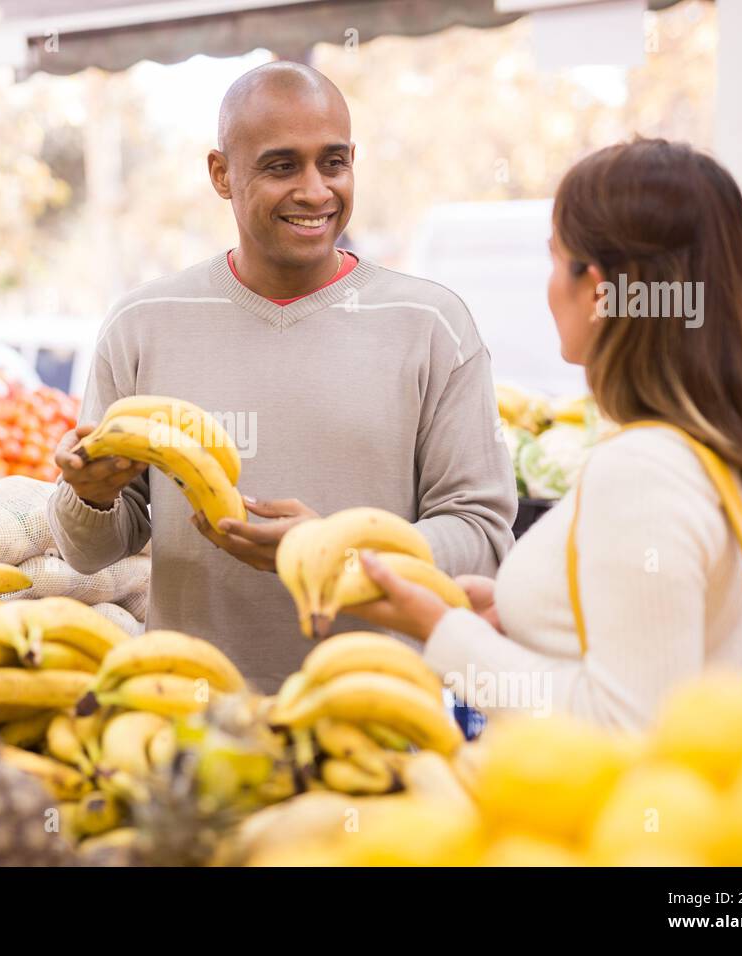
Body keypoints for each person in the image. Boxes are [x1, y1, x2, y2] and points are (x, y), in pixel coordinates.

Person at [47, 63, 517, 691]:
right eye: (281, 166)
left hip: (372, 718)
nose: (316, 191)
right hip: (188, 722)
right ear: (221, 174)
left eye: (334, 163)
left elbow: (483, 536)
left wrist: (339, 552)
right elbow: (88, 551)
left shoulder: (431, 324)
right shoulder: (143, 323)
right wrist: (91, 495)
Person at [350, 139, 742, 730]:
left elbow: (621, 727)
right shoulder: (737, 452)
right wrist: (525, 622)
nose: (549, 285)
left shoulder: (645, 470)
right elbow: (661, 660)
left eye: (556, 258)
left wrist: (439, 630)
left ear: (598, 286)